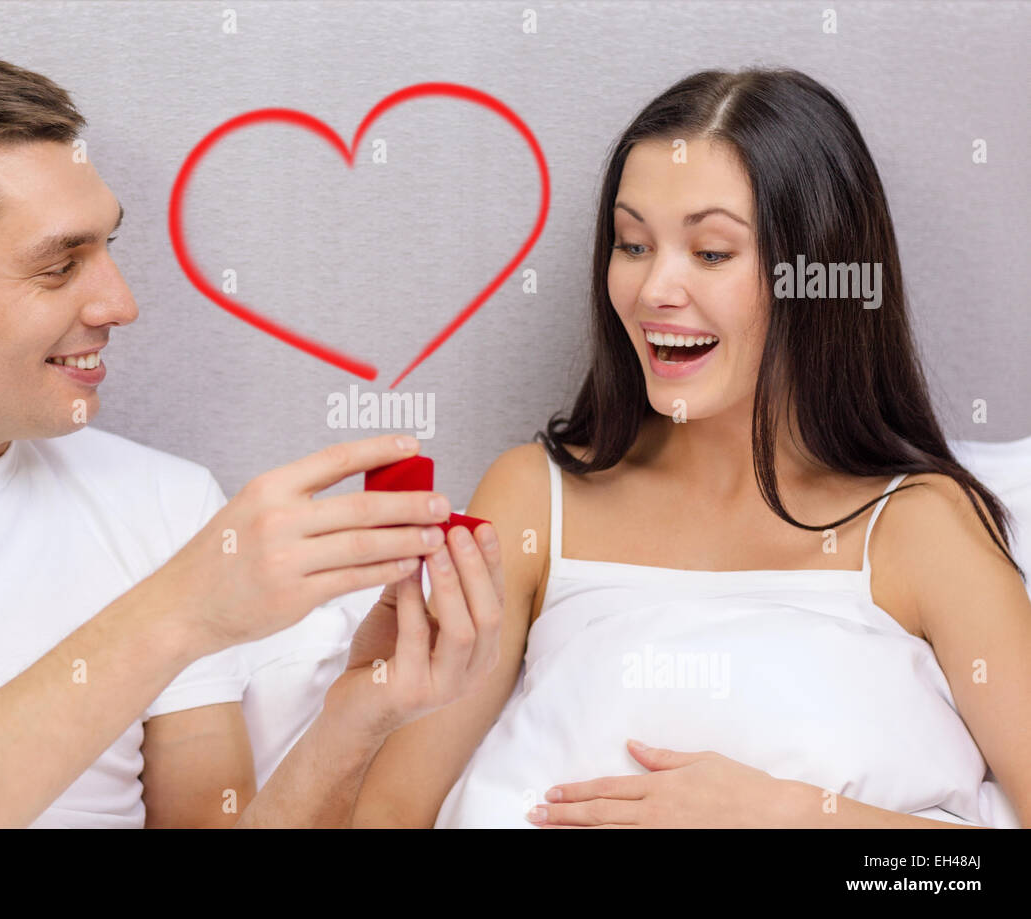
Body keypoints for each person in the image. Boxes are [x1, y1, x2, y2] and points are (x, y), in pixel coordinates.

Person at [0, 44, 503, 828]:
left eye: (108, 246)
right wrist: (178, 612)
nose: (120, 304)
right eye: (59, 267)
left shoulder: (162, 504)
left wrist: (355, 722)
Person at [345, 68, 1031, 828]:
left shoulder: (918, 525)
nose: (652, 290)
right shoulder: (536, 497)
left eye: (710, 253)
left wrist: (791, 816)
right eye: (632, 244)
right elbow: (388, 814)